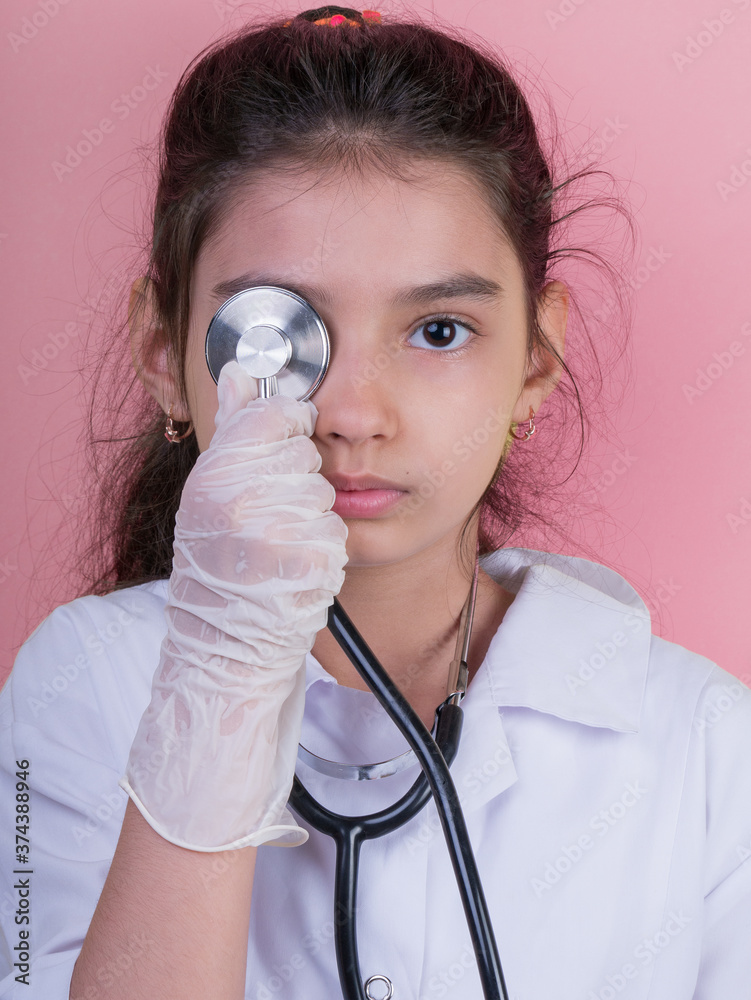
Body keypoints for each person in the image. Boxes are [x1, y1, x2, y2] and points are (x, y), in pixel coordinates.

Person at [1, 6, 749, 999]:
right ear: (163, 356)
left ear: (535, 355)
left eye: (439, 330)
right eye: (276, 336)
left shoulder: (701, 740)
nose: (353, 413)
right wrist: (218, 687)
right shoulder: (75, 686)